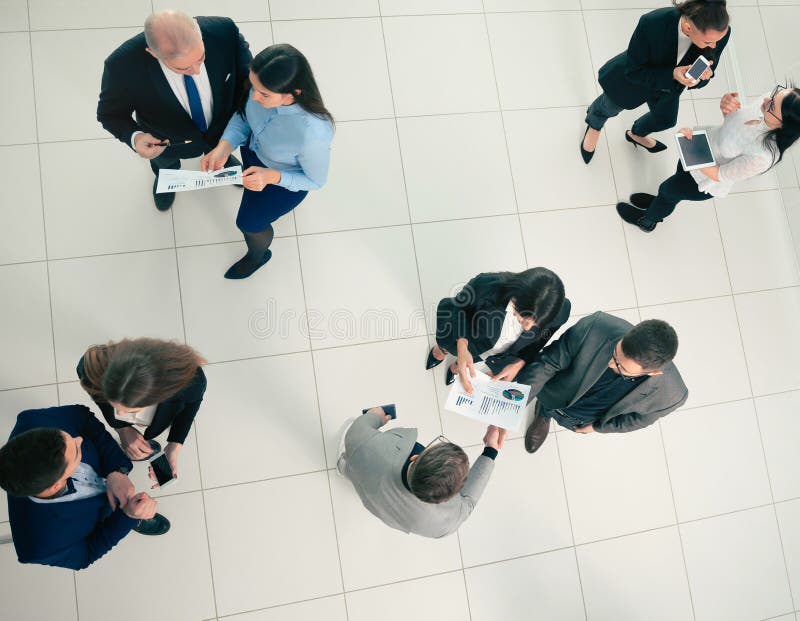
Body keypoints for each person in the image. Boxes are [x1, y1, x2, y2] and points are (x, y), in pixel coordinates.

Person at [201, 44, 334, 279]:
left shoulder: (312, 134)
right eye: (253, 86)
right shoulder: (260, 90)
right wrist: (224, 146)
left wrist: (271, 176)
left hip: (280, 183)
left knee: (248, 223)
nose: (253, 97)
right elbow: (243, 117)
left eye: (264, 95)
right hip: (253, 154)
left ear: (293, 93)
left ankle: (257, 255)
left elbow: (315, 181)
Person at [97, 10, 252, 211]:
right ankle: (166, 177)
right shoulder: (121, 66)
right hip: (165, 141)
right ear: (153, 54)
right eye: (182, 69)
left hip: (220, 129)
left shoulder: (224, 31)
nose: (196, 71)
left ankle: (222, 157)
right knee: (165, 165)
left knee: (217, 148)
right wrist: (135, 138)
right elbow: (110, 114)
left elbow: (249, 79)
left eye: (201, 58)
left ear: (197, 29)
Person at [0, 405, 169, 570]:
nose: (79, 439)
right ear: (55, 485)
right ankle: (133, 517)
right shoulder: (40, 547)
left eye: (69, 437)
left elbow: (83, 418)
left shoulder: (32, 420)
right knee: (125, 515)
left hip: (103, 464)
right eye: (76, 451)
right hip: (104, 515)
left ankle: (129, 452)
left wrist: (117, 469)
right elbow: (86, 555)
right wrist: (127, 517)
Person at [617, 85, 800, 232]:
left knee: (667, 189)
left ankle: (648, 221)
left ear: (784, 125)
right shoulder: (768, 103)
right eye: (774, 93)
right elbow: (735, 129)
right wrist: (727, 109)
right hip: (702, 148)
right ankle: (659, 203)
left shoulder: (763, 156)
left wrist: (689, 147)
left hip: (704, 178)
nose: (766, 100)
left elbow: (720, 174)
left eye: (771, 105)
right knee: (671, 188)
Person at [580, 0, 730, 164]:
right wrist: (672, 74)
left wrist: (701, 79)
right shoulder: (652, 23)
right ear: (688, 28)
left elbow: (710, 64)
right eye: (708, 42)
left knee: (665, 120)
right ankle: (594, 125)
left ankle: (636, 133)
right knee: (608, 107)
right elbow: (634, 71)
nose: (714, 45)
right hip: (635, 80)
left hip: (670, 87)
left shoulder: (718, 32)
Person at [520, 313, 688, 454]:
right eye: (615, 353)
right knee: (546, 405)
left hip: (583, 418)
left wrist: (597, 427)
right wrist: (514, 405)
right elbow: (548, 363)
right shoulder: (595, 327)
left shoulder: (672, 396)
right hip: (557, 392)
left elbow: (639, 420)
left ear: (653, 372)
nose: (611, 363)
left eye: (621, 367)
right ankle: (543, 415)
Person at [336, 407, 507, 538]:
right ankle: (344, 469)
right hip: (381, 508)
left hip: (365, 468)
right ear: (447, 497)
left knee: (353, 465)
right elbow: (468, 502)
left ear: (415, 457)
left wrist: (376, 415)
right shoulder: (444, 524)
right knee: (355, 472)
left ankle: (344, 466)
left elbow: (359, 428)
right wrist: (491, 449)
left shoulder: (362, 440)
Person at [77, 338, 207, 486]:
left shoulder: (193, 384)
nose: (119, 415)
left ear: (157, 396)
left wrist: (174, 446)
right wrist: (122, 429)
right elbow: (84, 367)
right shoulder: (93, 369)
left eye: (131, 410)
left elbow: (190, 408)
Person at [428, 267, 570, 393]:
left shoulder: (559, 311)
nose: (527, 328)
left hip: (493, 351)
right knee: (448, 345)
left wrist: (520, 361)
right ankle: (441, 351)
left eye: (536, 324)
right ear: (515, 299)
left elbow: (541, 339)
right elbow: (460, 308)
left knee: (472, 359)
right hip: (470, 334)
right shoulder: (486, 284)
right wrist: (462, 343)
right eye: (523, 320)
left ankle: (457, 366)